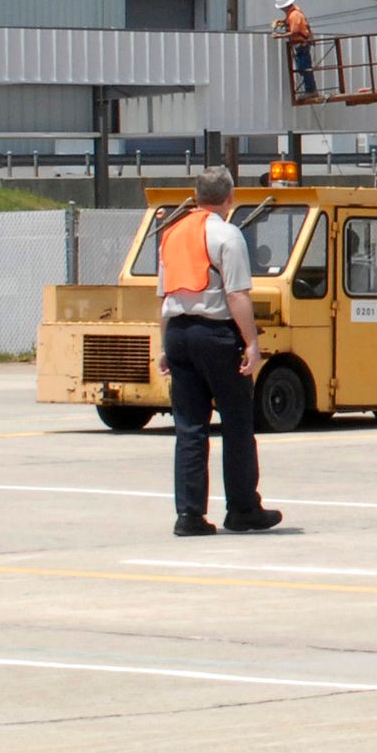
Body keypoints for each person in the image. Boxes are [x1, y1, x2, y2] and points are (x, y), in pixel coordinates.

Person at [158, 167, 281, 537]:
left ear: (196, 197)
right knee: (237, 422)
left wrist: (165, 345)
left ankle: (189, 515)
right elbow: (237, 294)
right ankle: (243, 508)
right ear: (230, 198)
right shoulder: (227, 234)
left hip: (178, 332)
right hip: (215, 334)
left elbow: (164, 296)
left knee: (190, 427)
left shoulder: (172, 233)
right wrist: (252, 343)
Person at [278, 0, 316, 99]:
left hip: (301, 44)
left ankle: (311, 91)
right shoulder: (292, 14)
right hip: (300, 44)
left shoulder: (294, 15)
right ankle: (310, 90)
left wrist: (279, 36)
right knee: (304, 68)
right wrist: (283, 22)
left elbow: (294, 32)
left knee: (304, 68)